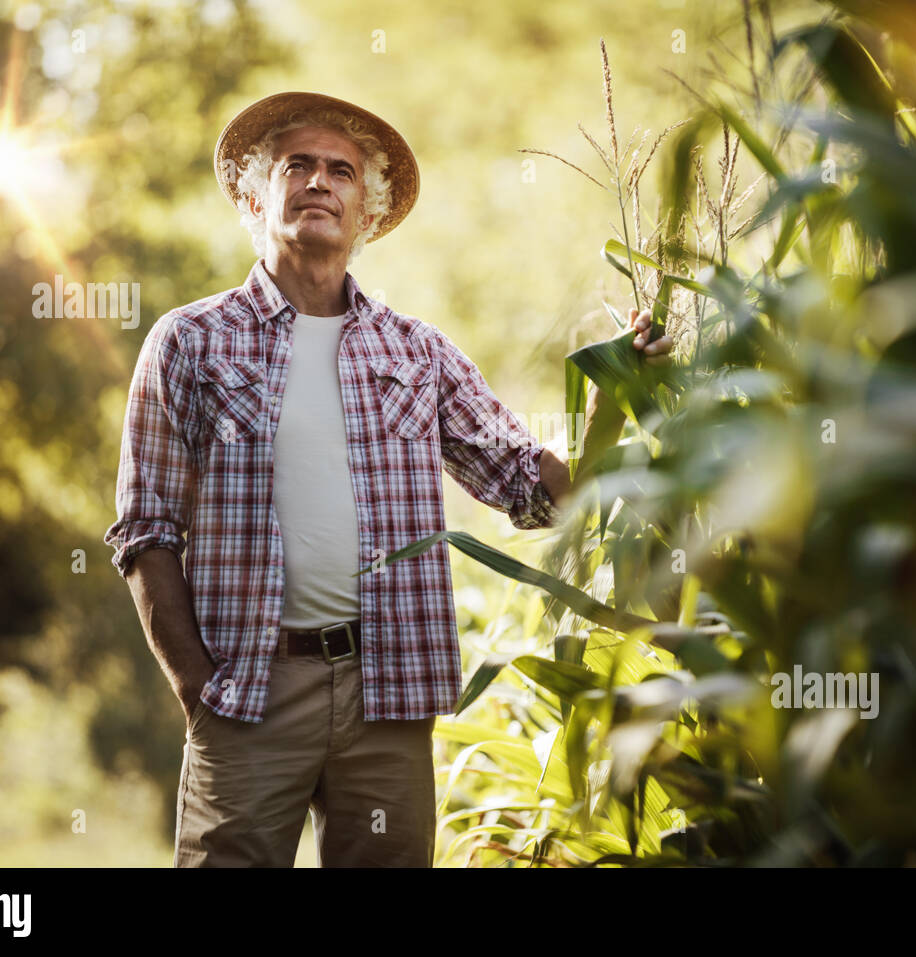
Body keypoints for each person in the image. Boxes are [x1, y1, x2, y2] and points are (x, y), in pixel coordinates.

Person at [102, 91, 672, 867]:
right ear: (253, 194)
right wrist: (198, 689)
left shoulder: (418, 351)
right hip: (247, 692)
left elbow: (538, 492)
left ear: (365, 212)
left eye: (340, 171)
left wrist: (609, 401)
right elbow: (145, 530)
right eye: (296, 165)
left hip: (390, 691)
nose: (318, 182)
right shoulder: (190, 343)